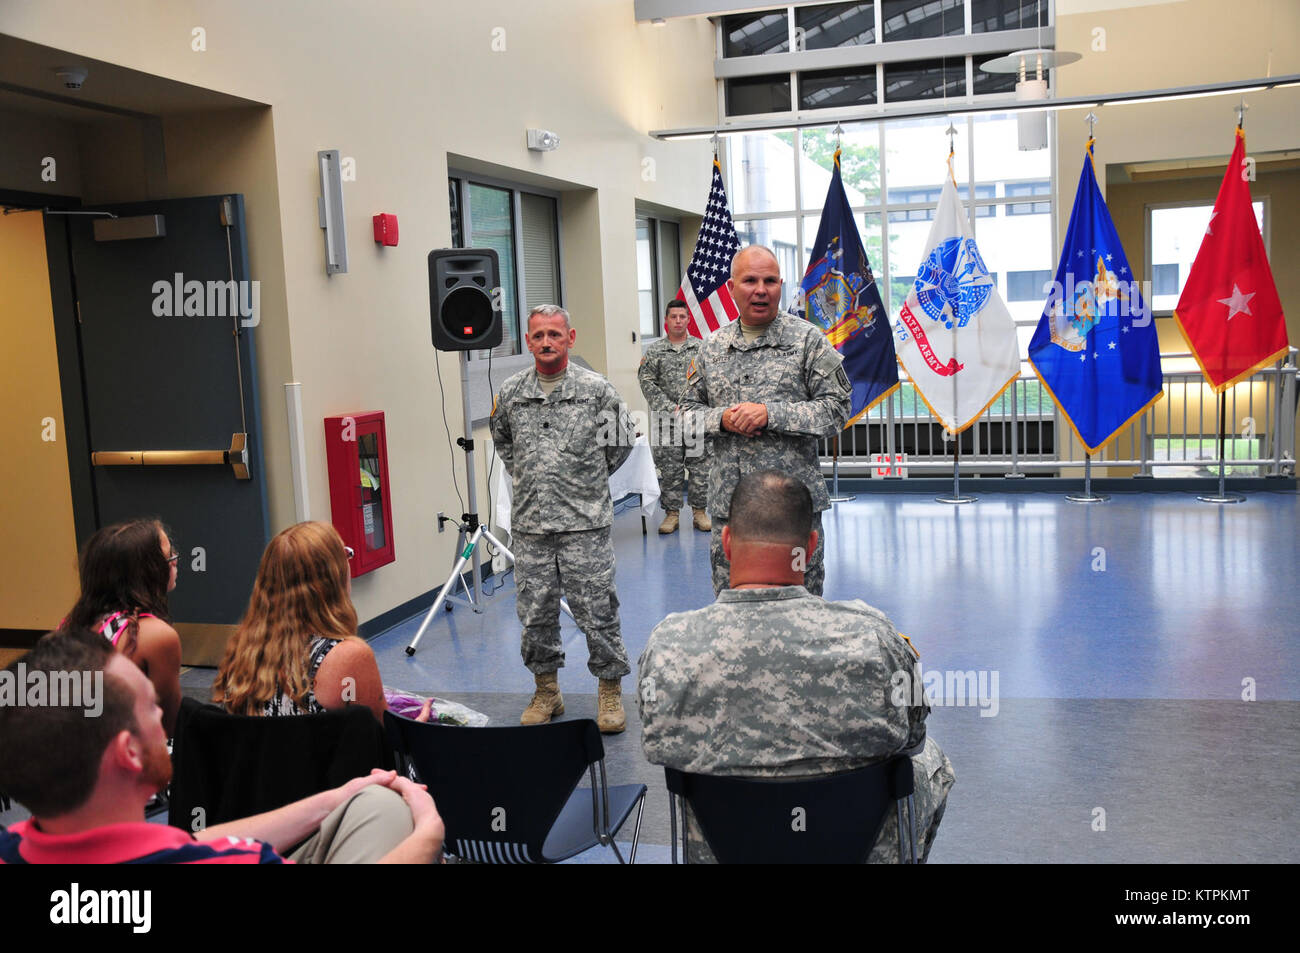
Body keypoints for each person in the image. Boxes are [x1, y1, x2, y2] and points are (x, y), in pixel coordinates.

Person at [637, 470, 954, 863]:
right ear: (812, 546)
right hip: (851, 846)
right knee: (931, 760)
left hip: (727, 848)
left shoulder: (670, 645)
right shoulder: (873, 637)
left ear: (726, 543)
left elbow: (656, 744)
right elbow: (914, 735)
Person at [0, 628, 444, 864]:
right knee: (391, 812)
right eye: (149, 708)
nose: (162, 716)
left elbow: (186, 840)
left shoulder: (14, 842)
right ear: (128, 753)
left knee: (367, 801)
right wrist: (429, 830)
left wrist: (334, 798)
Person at [489, 304, 637, 732]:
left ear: (570, 339)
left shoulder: (597, 390)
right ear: (528, 340)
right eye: (538, 335)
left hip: (584, 524)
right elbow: (505, 442)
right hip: (532, 525)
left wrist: (584, 480)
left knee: (597, 608)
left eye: (555, 334)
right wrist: (537, 477)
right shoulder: (513, 391)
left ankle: (609, 691)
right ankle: (546, 690)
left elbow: (621, 442)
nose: (547, 342)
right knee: (535, 612)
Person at [682, 245, 852, 597]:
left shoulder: (808, 341)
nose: (761, 289)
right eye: (750, 281)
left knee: (801, 606)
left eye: (770, 281)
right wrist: (723, 419)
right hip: (732, 509)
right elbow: (684, 417)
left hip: (793, 509)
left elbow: (838, 409)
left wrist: (771, 413)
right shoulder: (711, 348)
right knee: (732, 608)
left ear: (781, 286)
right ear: (731, 288)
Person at [212, 521, 430, 723]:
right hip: (323, 765)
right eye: (345, 555)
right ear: (330, 578)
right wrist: (418, 726)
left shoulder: (244, 648)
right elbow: (381, 734)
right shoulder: (347, 656)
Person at [61, 518, 183, 736]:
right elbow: (169, 725)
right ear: (147, 572)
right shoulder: (156, 636)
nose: (175, 560)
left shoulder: (71, 623)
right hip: (115, 756)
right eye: (168, 556)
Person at [638, 299, 710, 534]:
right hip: (665, 421)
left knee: (700, 467)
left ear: (688, 320)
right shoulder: (656, 351)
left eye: (682, 316)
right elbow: (646, 381)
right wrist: (669, 408)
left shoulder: (701, 348)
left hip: (695, 419)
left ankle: (700, 512)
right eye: (674, 317)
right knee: (670, 469)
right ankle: (671, 514)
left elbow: (710, 381)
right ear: (666, 320)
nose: (678, 320)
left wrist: (697, 407)